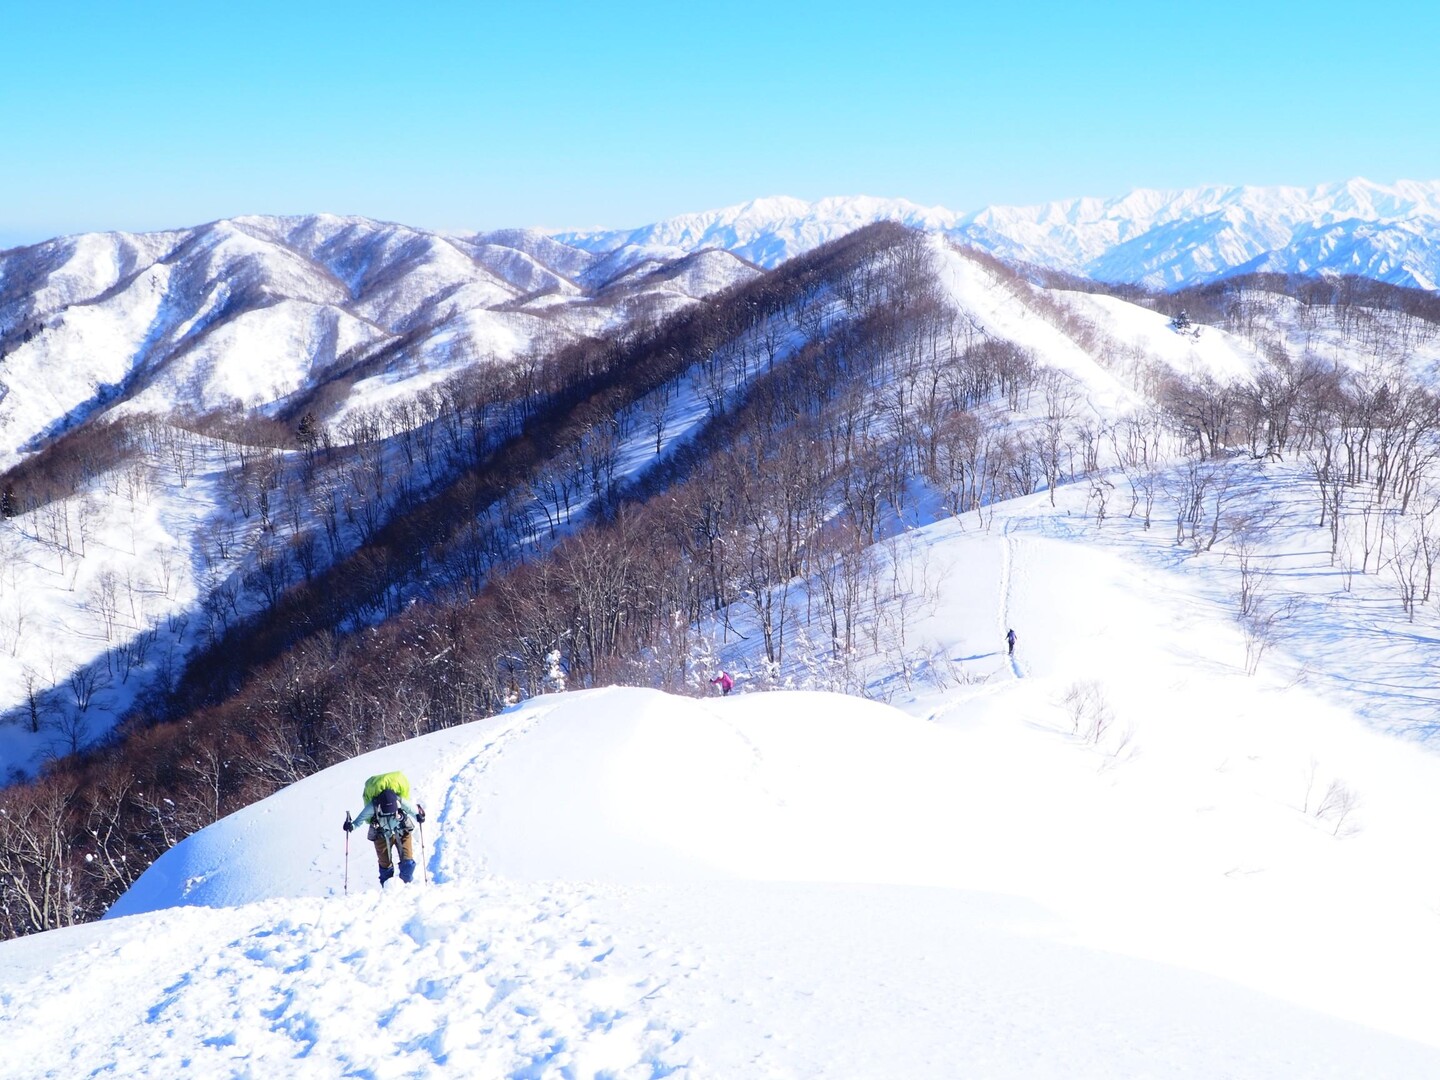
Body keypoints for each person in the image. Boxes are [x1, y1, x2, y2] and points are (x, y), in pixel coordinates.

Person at [344, 771, 425, 886]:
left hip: (402, 831)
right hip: (381, 835)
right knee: (385, 868)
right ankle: (388, 890)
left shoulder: (400, 801)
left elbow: (413, 810)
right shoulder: (373, 806)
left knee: (408, 864)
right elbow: (360, 820)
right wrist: (351, 826)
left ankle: (406, 886)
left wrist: (419, 816)